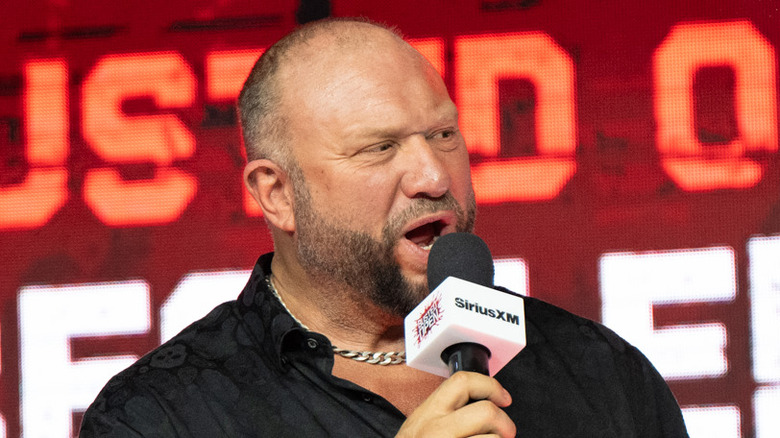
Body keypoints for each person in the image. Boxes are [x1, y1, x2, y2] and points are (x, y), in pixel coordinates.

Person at [80, 18, 689, 437]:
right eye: (379, 148)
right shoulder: (161, 415)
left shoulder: (599, 373)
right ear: (277, 194)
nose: (433, 175)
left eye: (443, 134)